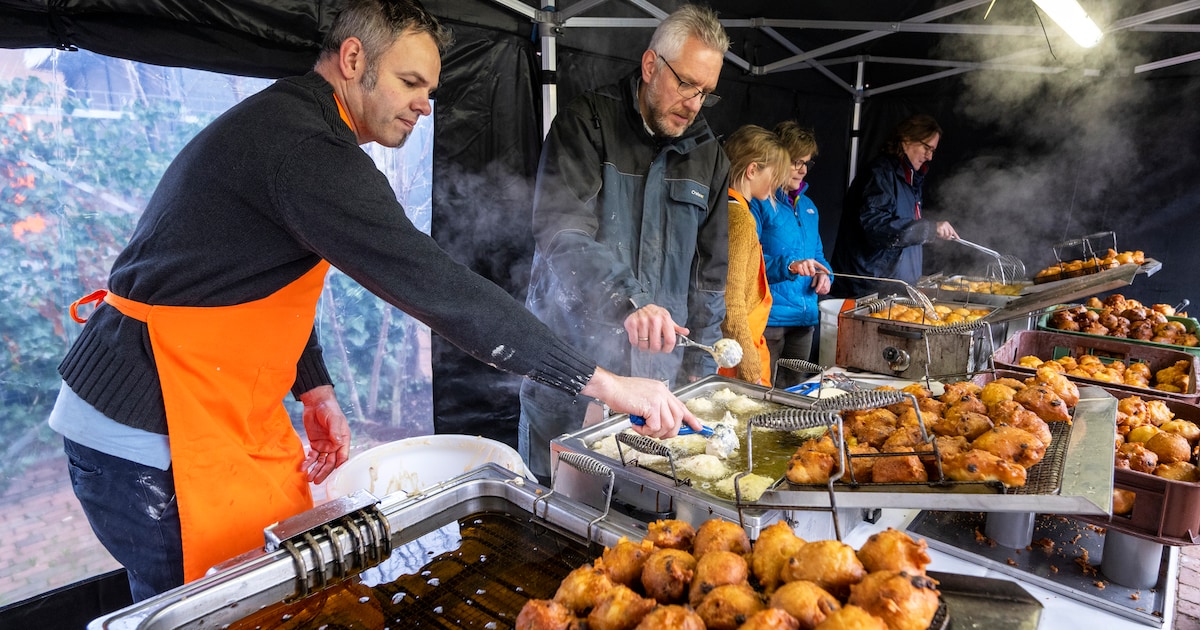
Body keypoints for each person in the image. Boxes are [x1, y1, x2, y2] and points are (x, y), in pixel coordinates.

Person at [48, 0, 699, 602]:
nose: (423, 105)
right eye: (411, 83)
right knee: (203, 607)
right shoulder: (306, 149)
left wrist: (315, 390)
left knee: (262, 590)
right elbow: (438, 288)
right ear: (353, 59)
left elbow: (250, 278)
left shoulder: (296, 125)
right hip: (144, 430)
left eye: (432, 92)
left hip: (194, 407)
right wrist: (605, 383)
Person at [519, 5, 731, 481]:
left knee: (639, 520)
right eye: (686, 84)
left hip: (657, 378)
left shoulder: (708, 155)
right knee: (550, 511)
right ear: (651, 65)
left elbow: (710, 272)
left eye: (705, 93)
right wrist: (628, 300)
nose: (694, 103)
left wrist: (703, 366)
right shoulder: (587, 123)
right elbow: (560, 229)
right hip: (571, 368)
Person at [831, 114, 958, 299]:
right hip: (867, 290)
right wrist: (930, 228)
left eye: (933, 151)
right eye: (926, 147)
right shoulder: (880, 174)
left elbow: (903, 231)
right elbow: (876, 226)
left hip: (892, 288)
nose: (929, 156)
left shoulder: (910, 180)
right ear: (906, 139)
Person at [749, 122, 832, 388]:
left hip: (805, 320)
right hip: (770, 321)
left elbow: (818, 253)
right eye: (796, 161)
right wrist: (791, 265)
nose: (803, 170)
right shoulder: (758, 201)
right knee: (761, 396)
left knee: (795, 393)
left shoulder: (809, 207)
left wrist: (824, 274)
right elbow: (748, 261)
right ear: (778, 158)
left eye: (807, 163)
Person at [718, 125, 790, 386]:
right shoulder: (739, 218)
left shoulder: (726, 210)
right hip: (735, 359)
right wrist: (749, 370)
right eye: (775, 174)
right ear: (752, 170)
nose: (779, 183)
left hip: (734, 349)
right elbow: (732, 300)